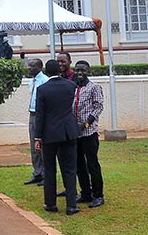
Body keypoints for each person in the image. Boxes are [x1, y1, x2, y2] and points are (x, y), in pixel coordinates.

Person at [34, 59, 80, 215]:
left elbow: (40, 116)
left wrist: (37, 137)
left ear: (46, 72)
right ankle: (71, 205)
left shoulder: (42, 89)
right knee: (70, 169)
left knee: (49, 169)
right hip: (68, 132)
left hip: (49, 133)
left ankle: (50, 203)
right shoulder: (71, 86)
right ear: (60, 71)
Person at [73, 61, 105, 208]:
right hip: (75, 134)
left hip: (89, 132)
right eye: (78, 70)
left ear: (88, 71)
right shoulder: (72, 87)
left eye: (83, 70)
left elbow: (98, 107)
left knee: (92, 164)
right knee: (79, 164)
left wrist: (86, 123)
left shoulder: (94, 87)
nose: (80, 73)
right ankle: (85, 193)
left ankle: (98, 195)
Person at [23, 58, 48, 185]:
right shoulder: (32, 81)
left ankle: (45, 174)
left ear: (39, 67)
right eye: (29, 66)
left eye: (32, 66)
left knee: (41, 145)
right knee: (34, 145)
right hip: (32, 114)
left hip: (40, 115)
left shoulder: (44, 81)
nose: (29, 68)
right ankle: (37, 173)